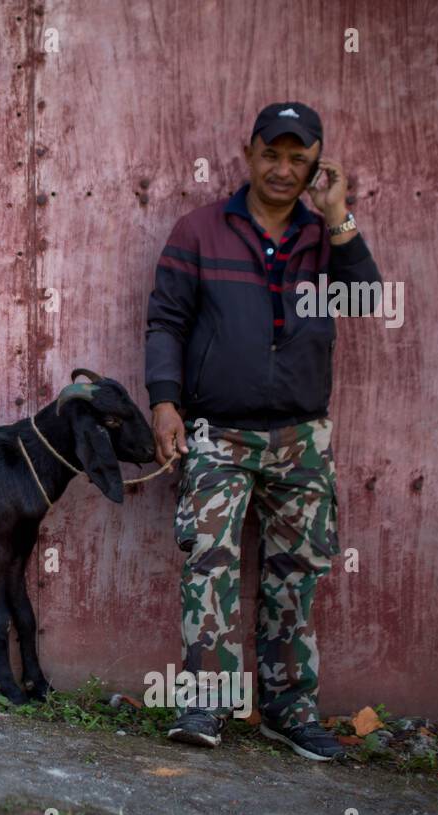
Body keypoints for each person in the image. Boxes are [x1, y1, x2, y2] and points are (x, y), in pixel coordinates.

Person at [145, 102, 382, 760]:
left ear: (315, 166)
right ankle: (204, 705)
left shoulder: (324, 238)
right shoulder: (199, 231)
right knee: (210, 565)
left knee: (295, 576)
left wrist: (338, 218)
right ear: (247, 154)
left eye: (298, 158)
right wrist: (165, 404)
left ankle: (288, 711)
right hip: (217, 432)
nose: (283, 169)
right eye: (272, 154)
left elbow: (366, 301)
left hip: (302, 439)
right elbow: (165, 321)